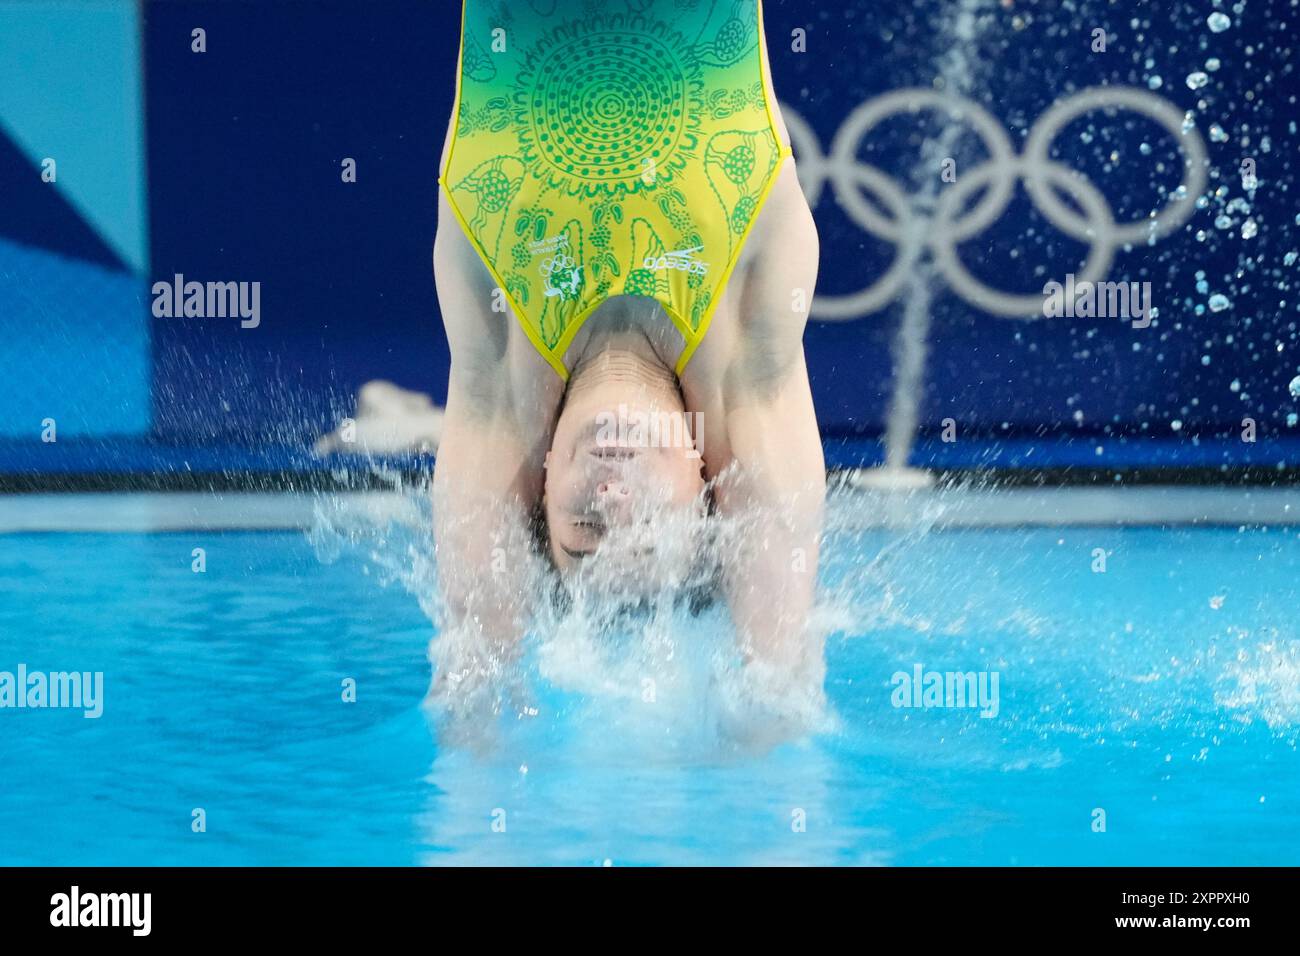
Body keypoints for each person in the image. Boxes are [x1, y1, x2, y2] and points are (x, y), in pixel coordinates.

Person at [430, 0, 824, 729]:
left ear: (540, 488)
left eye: (585, 532)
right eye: (646, 529)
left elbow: (470, 686)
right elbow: (781, 677)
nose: (613, 501)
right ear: (707, 479)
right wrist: (769, 707)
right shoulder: (743, 344)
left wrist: (477, 717)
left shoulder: (503, 353)